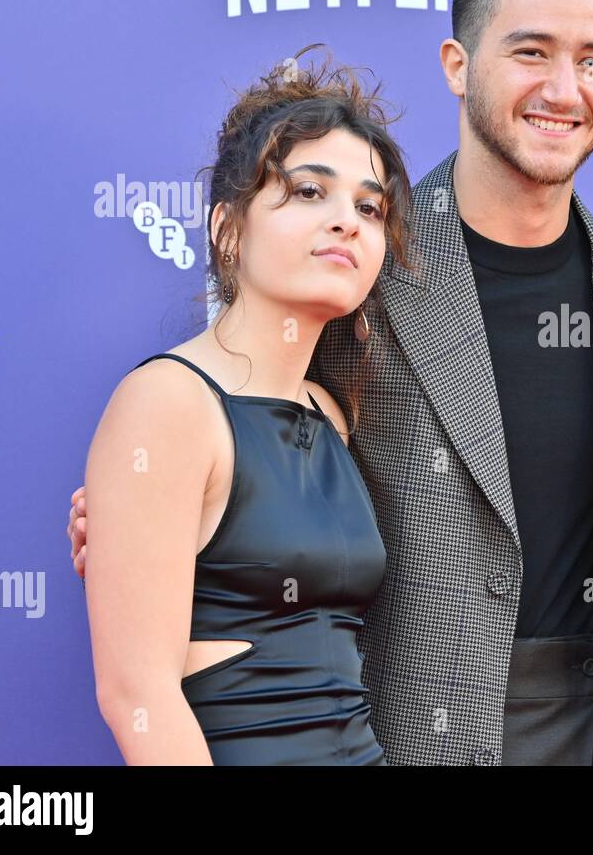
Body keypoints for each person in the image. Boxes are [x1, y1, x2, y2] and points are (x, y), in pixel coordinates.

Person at [69, 0, 593, 766]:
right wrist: (139, 514)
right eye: (531, 51)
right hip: (407, 732)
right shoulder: (354, 276)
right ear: (458, 65)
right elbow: (233, 446)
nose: (563, 89)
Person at [83, 47, 413, 764]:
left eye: (369, 206)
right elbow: (136, 696)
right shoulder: (167, 403)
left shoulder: (328, 412)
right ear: (228, 229)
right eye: (306, 192)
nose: (346, 222)